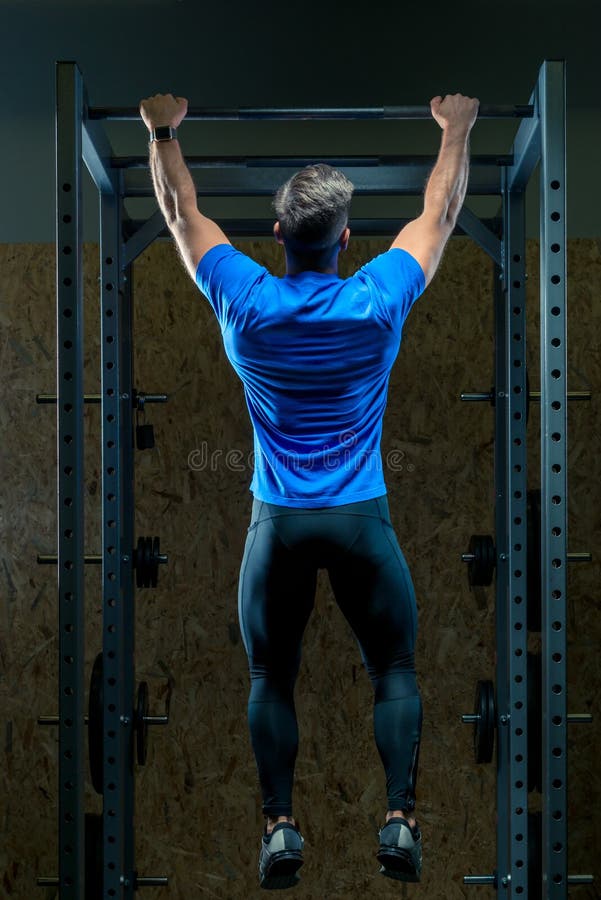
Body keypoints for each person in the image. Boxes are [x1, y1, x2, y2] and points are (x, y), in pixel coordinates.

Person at [139, 91, 479, 890]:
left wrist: (161, 130)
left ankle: (279, 827)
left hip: (279, 527)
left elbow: (178, 208)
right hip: (360, 521)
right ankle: (399, 815)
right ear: (347, 241)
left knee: (270, 678)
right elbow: (442, 208)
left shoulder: (246, 304)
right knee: (393, 669)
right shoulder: (375, 301)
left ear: (279, 237)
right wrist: (455, 131)